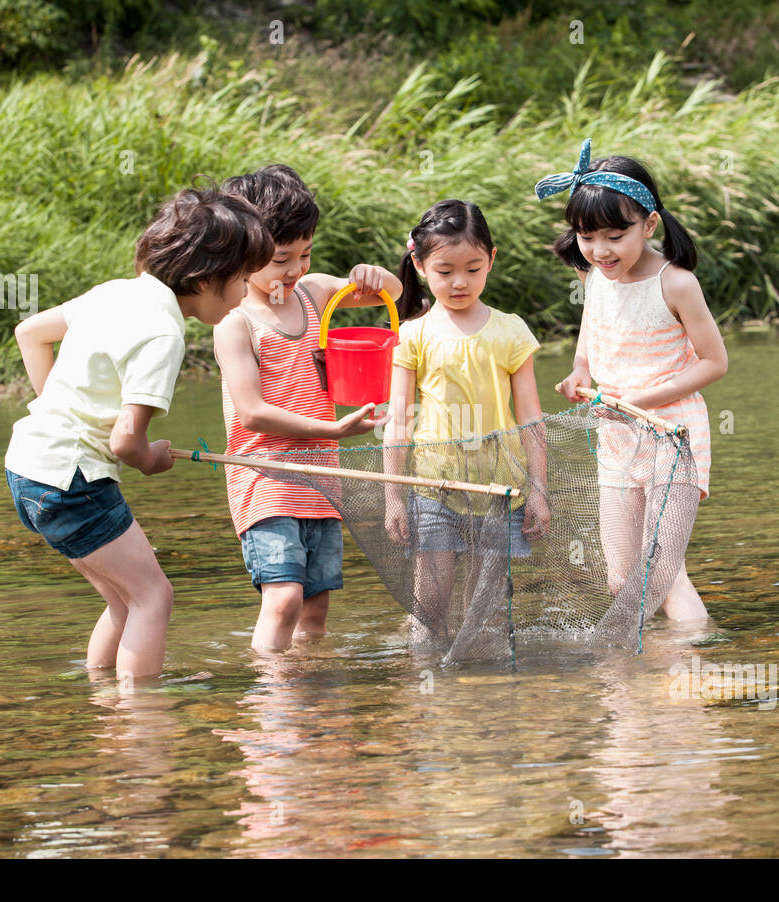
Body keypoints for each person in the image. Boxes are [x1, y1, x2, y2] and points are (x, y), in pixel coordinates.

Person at [5, 185, 272, 682]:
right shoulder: (163, 334)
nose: (242, 298)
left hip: (27, 466)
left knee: (122, 600)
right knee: (153, 597)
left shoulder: (114, 292)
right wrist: (153, 458)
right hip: (72, 482)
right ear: (202, 278)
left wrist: (58, 413)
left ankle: (104, 699)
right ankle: (141, 720)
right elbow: (127, 442)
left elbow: (30, 332)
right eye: (239, 281)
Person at [214, 164, 400, 653]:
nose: (294, 270)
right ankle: (272, 702)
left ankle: (310, 700)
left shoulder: (316, 293)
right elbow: (251, 412)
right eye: (280, 259)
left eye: (305, 254)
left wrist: (377, 278)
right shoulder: (234, 323)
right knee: (283, 599)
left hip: (321, 479)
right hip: (265, 477)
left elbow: (391, 296)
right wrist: (333, 429)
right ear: (243, 253)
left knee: (315, 607)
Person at [543, 139, 727, 620]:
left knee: (664, 569)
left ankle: (692, 670)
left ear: (649, 224)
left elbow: (714, 362)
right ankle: (639, 689)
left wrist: (640, 399)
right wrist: (581, 367)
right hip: (618, 437)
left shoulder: (675, 282)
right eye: (586, 237)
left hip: (673, 436)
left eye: (613, 236)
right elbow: (593, 324)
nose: (599, 251)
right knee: (621, 576)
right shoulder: (595, 275)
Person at [383, 199, 550, 643]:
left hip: (502, 484)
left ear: (491, 262)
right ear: (419, 264)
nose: (460, 282)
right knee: (430, 603)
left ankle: (480, 698)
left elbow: (532, 418)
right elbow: (397, 421)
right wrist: (393, 497)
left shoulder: (511, 331)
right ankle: (425, 689)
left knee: (486, 609)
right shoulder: (413, 334)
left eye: (473, 269)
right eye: (445, 271)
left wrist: (541, 489)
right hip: (435, 484)